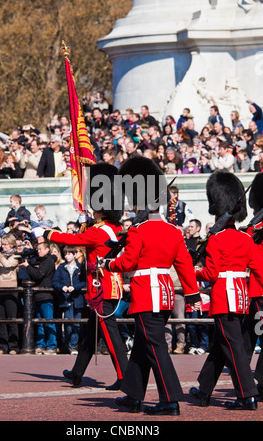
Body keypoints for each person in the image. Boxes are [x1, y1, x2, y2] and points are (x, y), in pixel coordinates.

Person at [100, 155, 201, 416]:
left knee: (154, 346)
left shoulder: (138, 230)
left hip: (146, 293)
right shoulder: (173, 231)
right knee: (144, 344)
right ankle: (134, 395)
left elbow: (129, 262)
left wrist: (108, 264)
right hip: (166, 293)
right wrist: (191, 294)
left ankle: (170, 400)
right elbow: (185, 266)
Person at [44, 163, 128, 389]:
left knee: (111, 336)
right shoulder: (113, 227)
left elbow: (70, 241)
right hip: (109, 284)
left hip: (101, 287)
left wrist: (47, 232)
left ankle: (125, 376)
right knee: (90, 334)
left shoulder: (98, 231)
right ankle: (77, 372)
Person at [189, 170, 263, 410]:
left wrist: (193, 273)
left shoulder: (217, 240)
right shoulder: (246, 239)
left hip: (224, 297)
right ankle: (204, 390)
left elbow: (210, 274)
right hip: (242, 296)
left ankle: (246, 395)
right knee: (224, 343)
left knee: (233, 347)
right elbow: (259, 269)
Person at [242, 172, 263, 400]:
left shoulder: (257, 229)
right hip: (252, 289)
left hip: (259, 288)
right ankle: (242, 376)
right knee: (246, 337)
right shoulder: (255, 226)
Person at [21, 240, 57, 354]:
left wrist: (28, 267)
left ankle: (52, 345)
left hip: (46, 294)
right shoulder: (38, 260)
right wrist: (29, 260)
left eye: (41, 249)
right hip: (37, 295)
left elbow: (39, 274)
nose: (39, 251)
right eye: (38, 249)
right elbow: (32, 262)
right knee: (40, 322)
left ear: (47, 250)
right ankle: (41, 344)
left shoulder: (48, 261)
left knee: (48, 320)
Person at [52, 245, 86, 355]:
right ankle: (68, 344)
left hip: (77, 298)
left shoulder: (80, 267)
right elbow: (55, 282)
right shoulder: (61, 267)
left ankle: (73, 345)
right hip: (66, 299)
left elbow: (85, 282)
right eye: (65, 254)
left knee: (77, 324)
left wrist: (75, 287)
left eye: (69, 254)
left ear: (74, 255)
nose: (67, 256)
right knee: (68, 324)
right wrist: (62, 287)